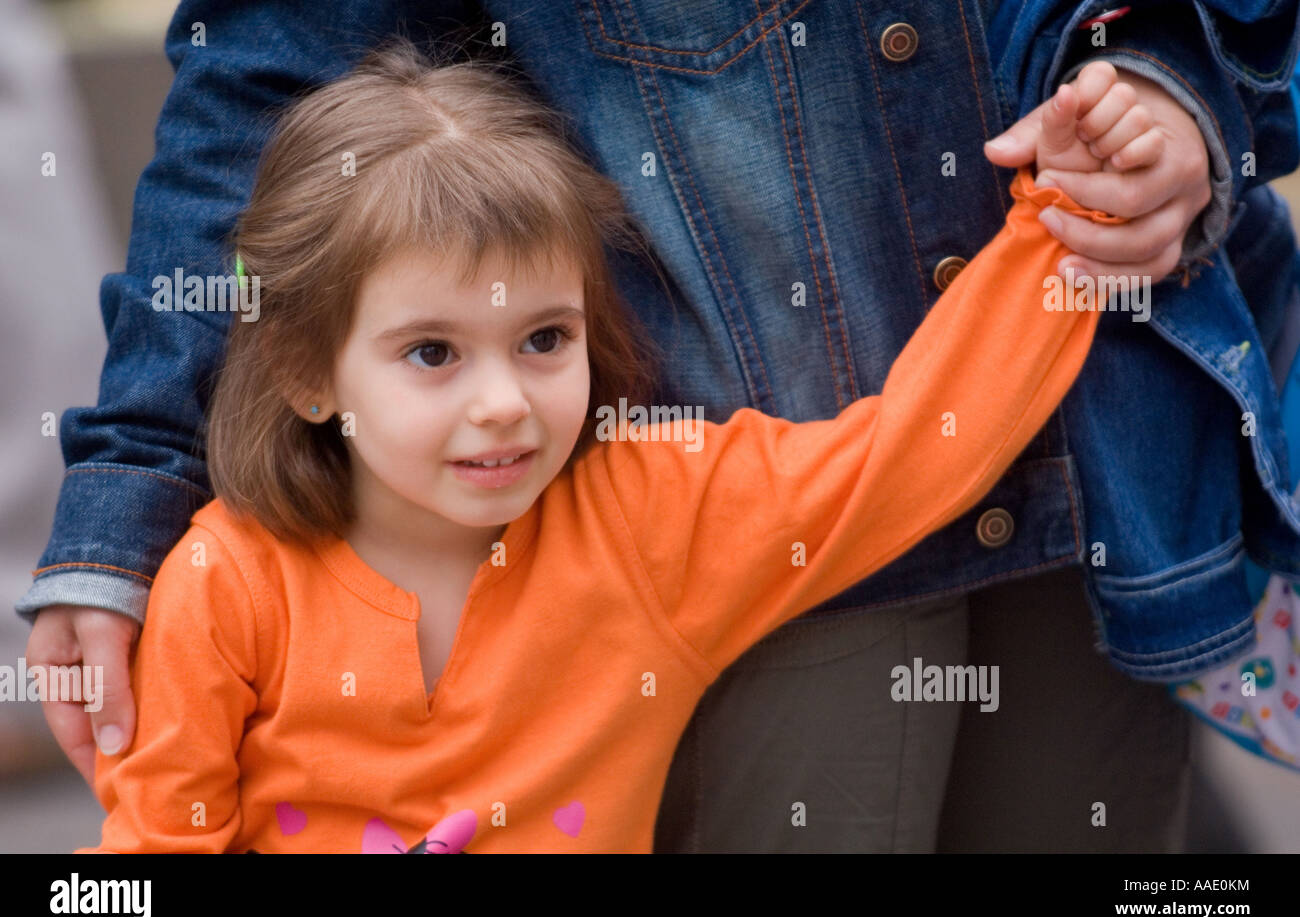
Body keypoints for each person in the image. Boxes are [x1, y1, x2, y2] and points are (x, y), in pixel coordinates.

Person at [21, 1, 1300, 853]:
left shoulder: (648, 508)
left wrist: (1055, 227)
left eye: (545, 339)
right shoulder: (224, 589)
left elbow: (908, 450)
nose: (503, 400)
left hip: (1100, 497)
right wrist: (124, 488)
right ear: (304, 371)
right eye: (430, 353)